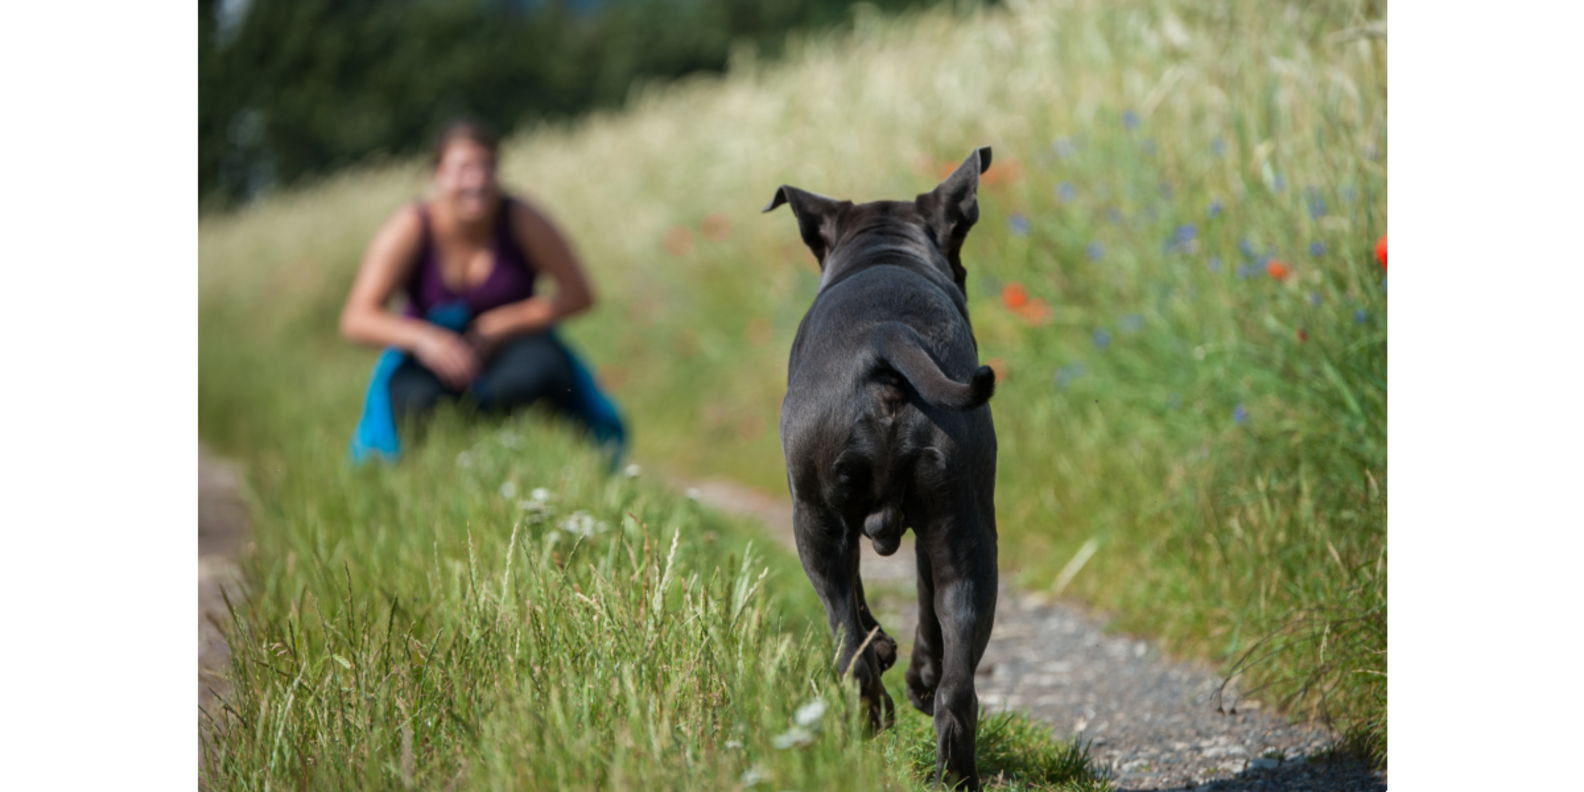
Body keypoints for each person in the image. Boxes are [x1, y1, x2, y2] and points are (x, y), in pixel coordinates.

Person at [341, 119, 623, 462]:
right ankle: (437, 470)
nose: (476, 180)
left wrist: (503, 323)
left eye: (486, 167)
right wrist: (425, 340)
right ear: (438, 175)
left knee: (540, 371)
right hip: (432, 356)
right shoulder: (411, 227)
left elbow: (579, 294)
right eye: (462, 169)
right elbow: (357, 317)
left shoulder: (521, 218)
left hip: (513, 351)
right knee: (412, 397)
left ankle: (546, 460)